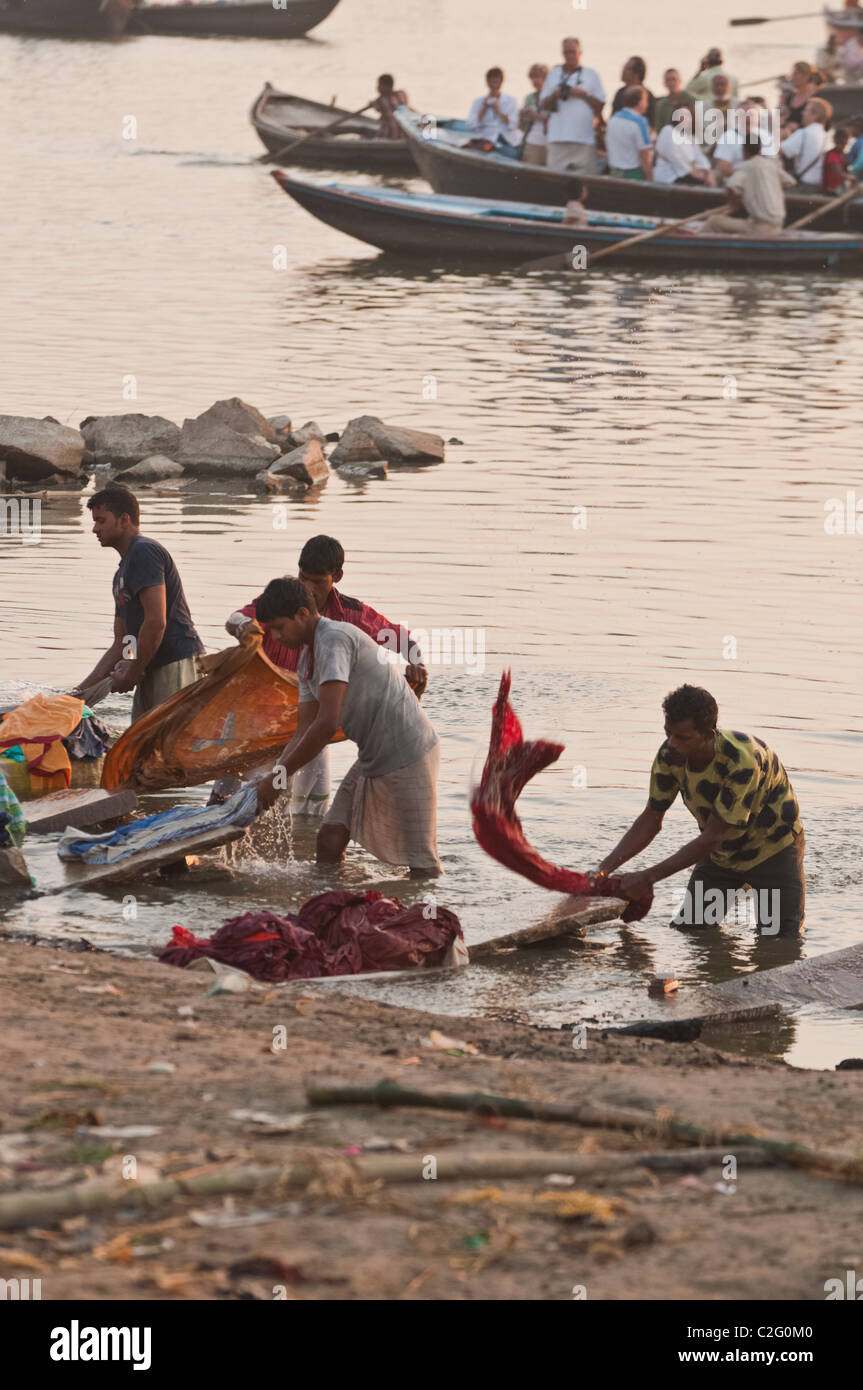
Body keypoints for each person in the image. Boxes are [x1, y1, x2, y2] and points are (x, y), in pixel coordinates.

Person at [226, 535, 427, 816]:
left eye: (317, 582)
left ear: (337, 578)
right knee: (227, 804)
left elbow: (402, 640)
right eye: (303, 578)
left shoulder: (342, 626)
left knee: (307, 816)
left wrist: (416, 663)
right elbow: (234, 618)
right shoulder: (283, 602)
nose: (309, 588)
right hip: (258, 717)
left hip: (310, 726)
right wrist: (245, 626)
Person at [254, 579, 442, 876]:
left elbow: (327, 724)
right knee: (329, 840)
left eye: (279, 627)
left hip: (409, 751)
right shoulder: (307, 659)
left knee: (423, 866)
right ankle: (331, 907)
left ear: (303, 613)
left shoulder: (333, 639)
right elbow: (303, 730)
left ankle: (430, 917)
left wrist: (279, 776)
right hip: (373, 756)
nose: (275, 637)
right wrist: (275, 777)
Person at [594, 685, 805, 938]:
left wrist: (647, 878)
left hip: (772, 852)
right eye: (668, 733)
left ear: (708, 735)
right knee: (692, 932)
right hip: (721, 857)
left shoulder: (742, 761)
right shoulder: (669, 755)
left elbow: (713, 837)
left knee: (778, 942)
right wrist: (602, 871)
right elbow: (651, 818)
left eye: (682, 737)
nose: (671, 743)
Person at [74, 487, 203, 722]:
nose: (95, 529)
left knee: (168, 748)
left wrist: (131, 672)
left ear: (124, 520)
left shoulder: (144, 552)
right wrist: (79, 693)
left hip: (174, 663)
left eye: (101, 521)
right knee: (141, 748)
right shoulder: (120, 575)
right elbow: (125, 642)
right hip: (148, 668)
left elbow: (156, 622)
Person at [700, 135, 795, 236]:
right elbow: (789, 182)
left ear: (744, 149)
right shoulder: (771, 165)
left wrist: (734, 202)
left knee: (713, 221)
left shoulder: (746, 166)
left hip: (760, 228)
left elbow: (731, 187)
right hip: (777, 226)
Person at [539, 35, 606, 174]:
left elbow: (600, 105)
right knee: (555, 178)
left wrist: (582, 94)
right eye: (566, 52)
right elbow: (543, 105)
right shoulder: (553, 74)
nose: (569, 56)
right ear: (562, 53)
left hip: (583, 139)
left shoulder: (591, 74)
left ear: (580, 52)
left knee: (585, 180)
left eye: (572, 52)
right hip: (557, 137)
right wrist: (554, 95)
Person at [713, 98, 779, 182]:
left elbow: (774, 163)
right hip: (737, 184)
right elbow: (723, 168)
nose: (748, 115)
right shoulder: (727, 136)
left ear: (758, 117)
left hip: (761, 182)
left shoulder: (766, 136)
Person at [653, 99, 715, 185]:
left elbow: (699, 156)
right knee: (701, 184)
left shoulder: (690, 136)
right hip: (670, 176)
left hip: (688, 174)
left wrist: (708, 171)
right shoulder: (668, 130)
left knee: (711, 179)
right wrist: (693, 173)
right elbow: (675, 157)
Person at [604, 85, 653, 180]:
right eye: (646, 100)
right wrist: (651, 178)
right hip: (633, 174)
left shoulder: (613, 119)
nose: (647, 104)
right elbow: (644, 154)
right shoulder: (640, 122)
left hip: (614, 173)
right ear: (640, 102)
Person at [781, 98, 831, 187]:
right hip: (818, 185)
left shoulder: (804, 133)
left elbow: (780, 150)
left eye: (806, 110)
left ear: (815, 115)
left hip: (804, 184)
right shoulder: (825, 135)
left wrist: (779, 132)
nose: (802, 113)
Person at [467, 67, 520, 145]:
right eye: (491, 82)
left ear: (501, 82)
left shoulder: (511, 101)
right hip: (488, 140)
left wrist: (498, 111)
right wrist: (483, 109)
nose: (494, 85)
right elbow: (471, 126)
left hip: (508, 140)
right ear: (487, 83)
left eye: (496, 82)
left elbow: (514, 125)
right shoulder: (478, 102)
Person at [610, 56, 656, 128]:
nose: (623, 71)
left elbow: (651, 125)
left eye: (627, 68)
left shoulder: (647, 96)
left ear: (636, 74)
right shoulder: (620, 93)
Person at [520, 62, 549, 165]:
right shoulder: (529, 98)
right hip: (532, 141)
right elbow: (522, 127)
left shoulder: (553, 96)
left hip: (550, 143)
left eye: (538, 77)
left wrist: (536, 116)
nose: (535, 81)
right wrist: (522, 116)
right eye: (532, 78)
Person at [780, 62, 819, 135]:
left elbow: (821, 126)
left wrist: (797, 127)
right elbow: (779, 119)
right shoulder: (789, 96)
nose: (792, 77)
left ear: (806, 77)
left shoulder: (815, 99)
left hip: (803, 138)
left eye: (795, 74)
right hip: (785, 138)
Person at [370, 73, 409, 140]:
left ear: (387, 86)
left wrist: (372, 104)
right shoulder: (402, 94)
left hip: (389, 135)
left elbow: (378, 106)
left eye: (380, 85)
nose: (378, 87)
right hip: (404, 134)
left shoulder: (380, 101)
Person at [654, 69, 692, 133]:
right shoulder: (661, 105)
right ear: (665, 83)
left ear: (680, 81)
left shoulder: (691, 100)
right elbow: (659, 129)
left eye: (674, 79)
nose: (672, 83)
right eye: (668, 80)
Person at [822, 126, 850, 193]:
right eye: (840, 140)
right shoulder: (832, 154)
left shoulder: (843, 154)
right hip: (832, 191)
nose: (842, 142)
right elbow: (839, 173)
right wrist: (852, 178)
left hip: (840, 190)